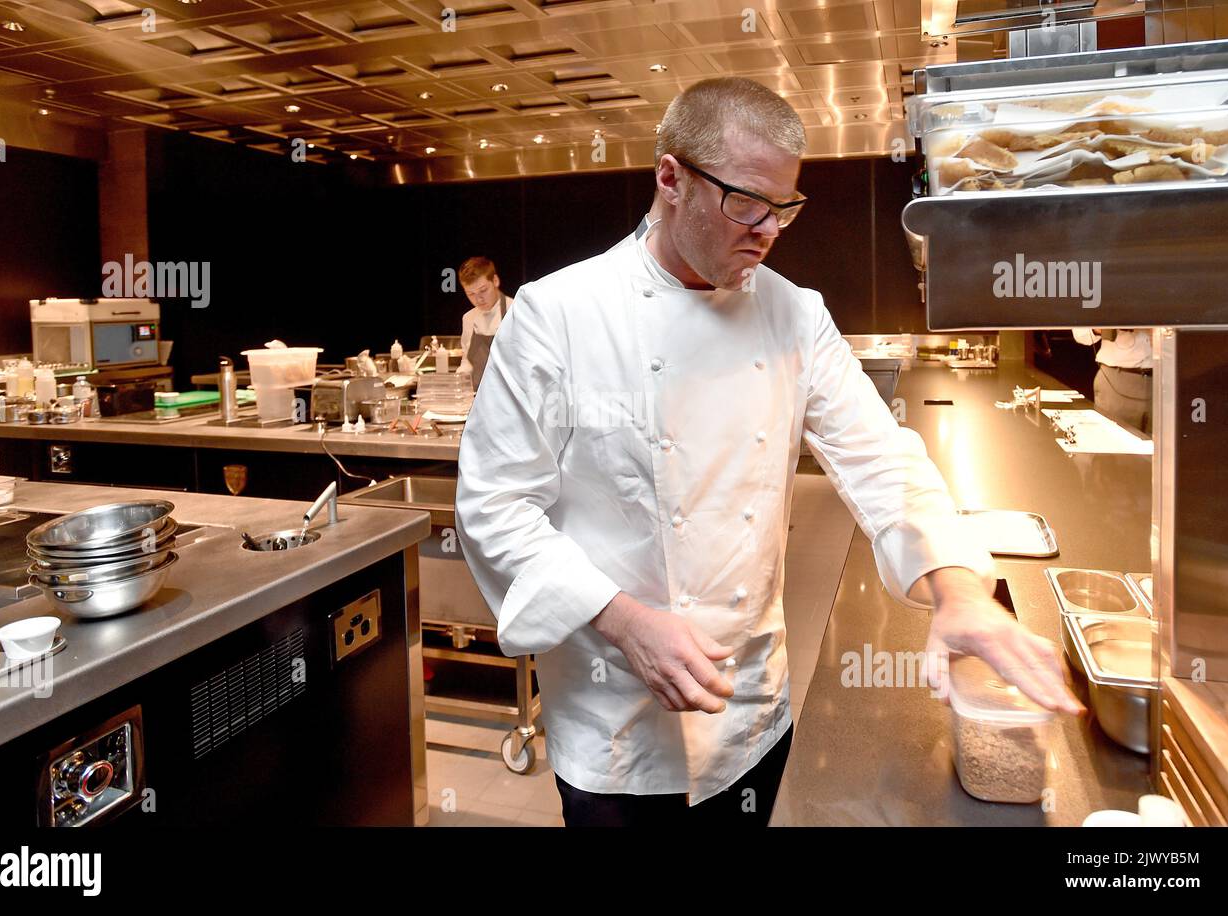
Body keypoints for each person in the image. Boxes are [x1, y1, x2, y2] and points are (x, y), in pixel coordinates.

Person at [456, 77, 1082, 827]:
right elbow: (492, 507)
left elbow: (880, 457)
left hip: (750, 710)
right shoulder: (558, 314)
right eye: (746, 203)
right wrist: (622, 621)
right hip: (613, 718)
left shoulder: (795, 313)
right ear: (671, 179)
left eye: (784, 208)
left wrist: (960, 590)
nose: (767, 229)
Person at [1071, 328, 1153, 433]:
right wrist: (1106, 326)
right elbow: (1081, 333)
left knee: (1167, 446)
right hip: (1117, 381)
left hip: (1167, 381)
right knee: (1117, 442)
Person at [455, 256, 513, 389]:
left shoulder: (515, 311)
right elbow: (467, 361)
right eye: (471, 294)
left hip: (509, 395)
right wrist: (460, 379)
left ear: (495, 281)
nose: (478, 299)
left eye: (483, 290)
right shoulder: (468, 318)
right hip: (477, 394)